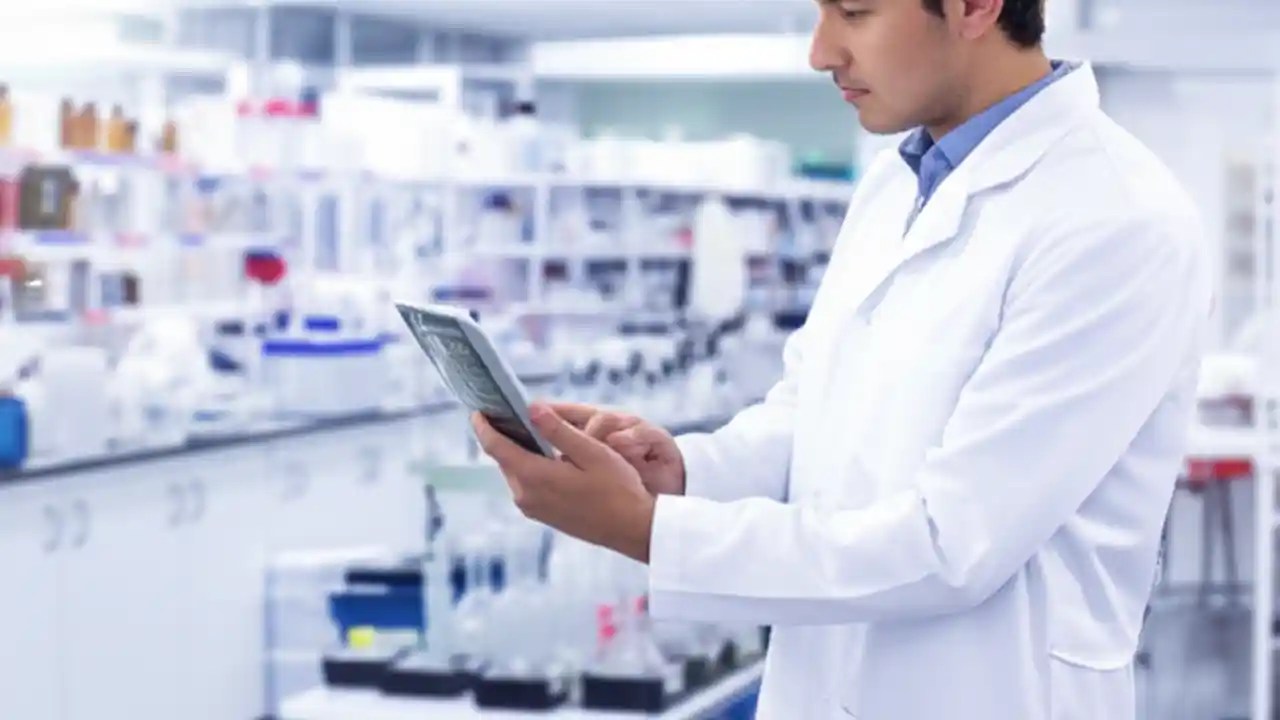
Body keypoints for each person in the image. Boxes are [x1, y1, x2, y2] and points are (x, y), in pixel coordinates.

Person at [471, 0, 1211, 717]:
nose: (820, 52)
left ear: (977, 7)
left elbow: (952, 543)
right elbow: (811, 408)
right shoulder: (896, 183)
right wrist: (683, 474)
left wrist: (647, 532)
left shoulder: (1116, 218)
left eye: (854, 13)